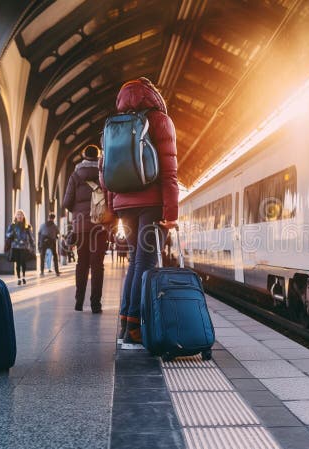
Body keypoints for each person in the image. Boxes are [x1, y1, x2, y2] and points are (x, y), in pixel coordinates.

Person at [101, 77, 179, 344]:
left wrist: (113, 208)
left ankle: (126, 323)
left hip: (124, 205)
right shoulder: (160, 120)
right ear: (153, 95)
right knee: (145, 264)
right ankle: (134, 327)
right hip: (151, 204)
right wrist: (171, 214)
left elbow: (105, 173)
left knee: (136, 261)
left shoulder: (112, 125)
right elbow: (169, 171)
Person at [63, 144, 111, 312]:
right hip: (100, 225)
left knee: (82, 263)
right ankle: (96, 304)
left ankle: (79, 302)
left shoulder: (75, 175)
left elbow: (66, 202)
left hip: (81, 226)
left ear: (84, 156)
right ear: (98, 156)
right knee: (97, 265)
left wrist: (78, 212)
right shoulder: (105, 173)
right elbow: (110, 199)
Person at [6, 210, 35, 285]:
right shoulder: (12, 226)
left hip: (24, 247)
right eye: (18, 214)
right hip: (15, 247)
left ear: (23, 216)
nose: (19, 216)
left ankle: (23, 277)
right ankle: (19, 278)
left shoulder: (27, 226)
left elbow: (31, 237)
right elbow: (7, 235)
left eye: (21, 214)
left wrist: (33, 246)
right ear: (15, 216)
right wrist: (12, 233)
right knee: (18, 263)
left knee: (23, 262)